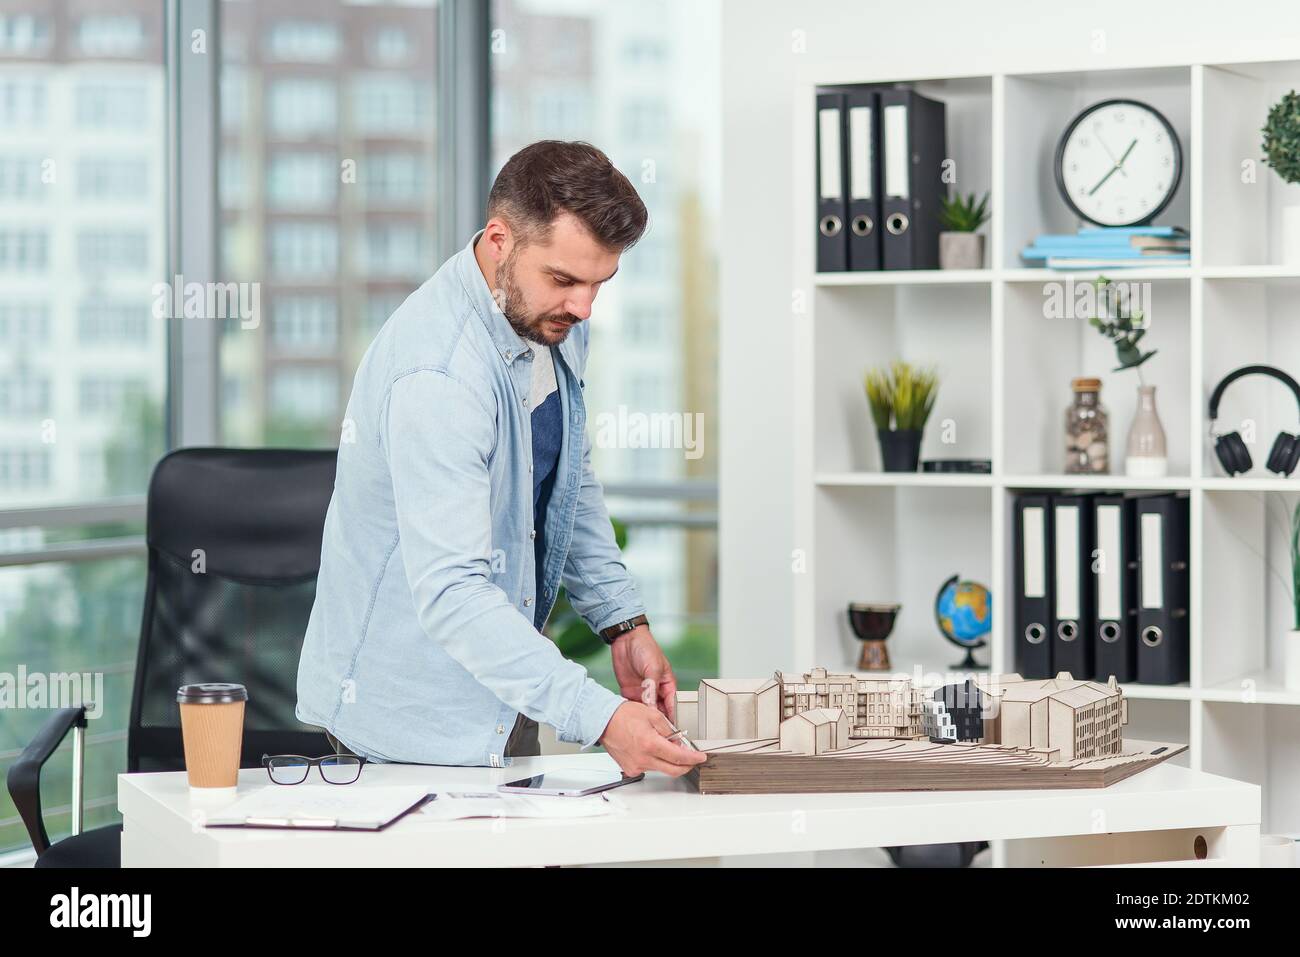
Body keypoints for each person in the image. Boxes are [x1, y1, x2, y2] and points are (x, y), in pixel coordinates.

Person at [295, 140, 707, 780]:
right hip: (403, 729)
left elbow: (570, 477)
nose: (584, 307)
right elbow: (453, 593)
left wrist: (623, 622)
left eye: (599, 283)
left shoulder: (552, 319)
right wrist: (598, 717)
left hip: (503, 690)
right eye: (565, 280)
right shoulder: (440, 374)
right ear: (498, 240)